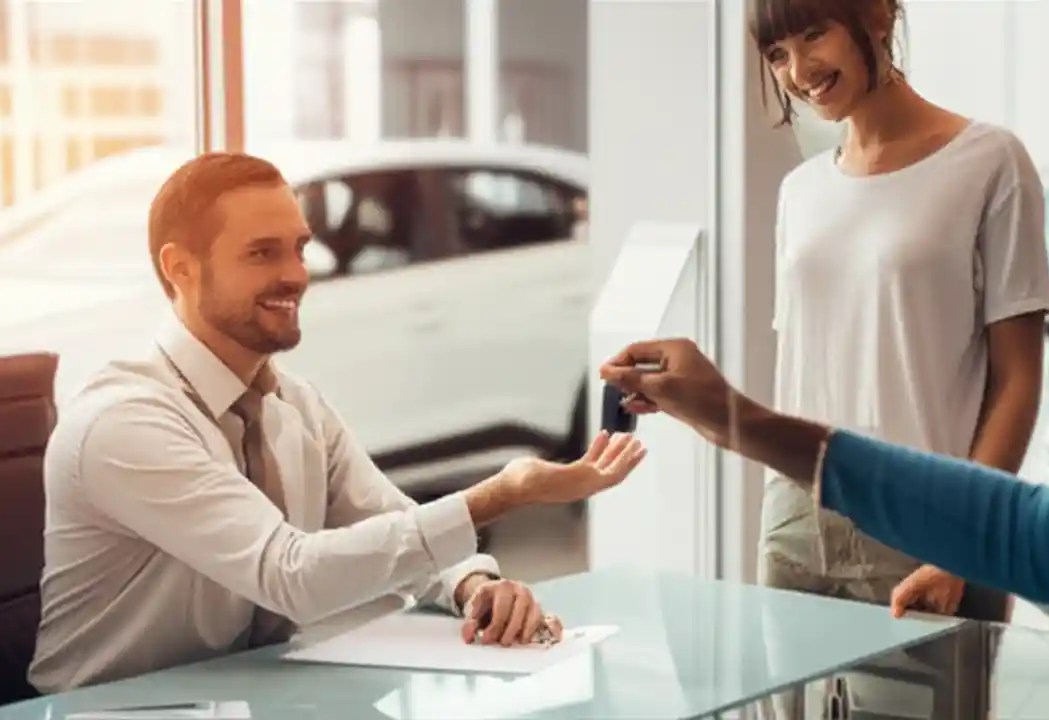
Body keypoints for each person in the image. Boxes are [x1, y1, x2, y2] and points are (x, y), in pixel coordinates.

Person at [601, 11, 1049, 718]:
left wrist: (951, 553)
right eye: (777, 52)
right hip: (816, 516)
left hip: (924, 523)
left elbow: (1016, 438)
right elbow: (1027, 534)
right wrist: (727, 414)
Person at [29, 152, 646, 694]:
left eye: (299, 247)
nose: (297, 274)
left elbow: (395, 525)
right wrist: (500, 495)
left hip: (243, 698)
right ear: (180, 268)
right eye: (262, 252)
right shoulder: (125, 422)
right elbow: (288, 575)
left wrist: (474, 584)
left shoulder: (293, 405)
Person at [752, 0, 1049, 623]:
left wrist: (963, 546)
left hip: (929, 525)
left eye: (814, 35)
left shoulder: (991, 161)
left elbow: (1018, 379)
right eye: (777, 53)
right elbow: (805, 371)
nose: (799, 69)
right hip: (794, 520)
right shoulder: (800, 191)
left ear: (878, 16)